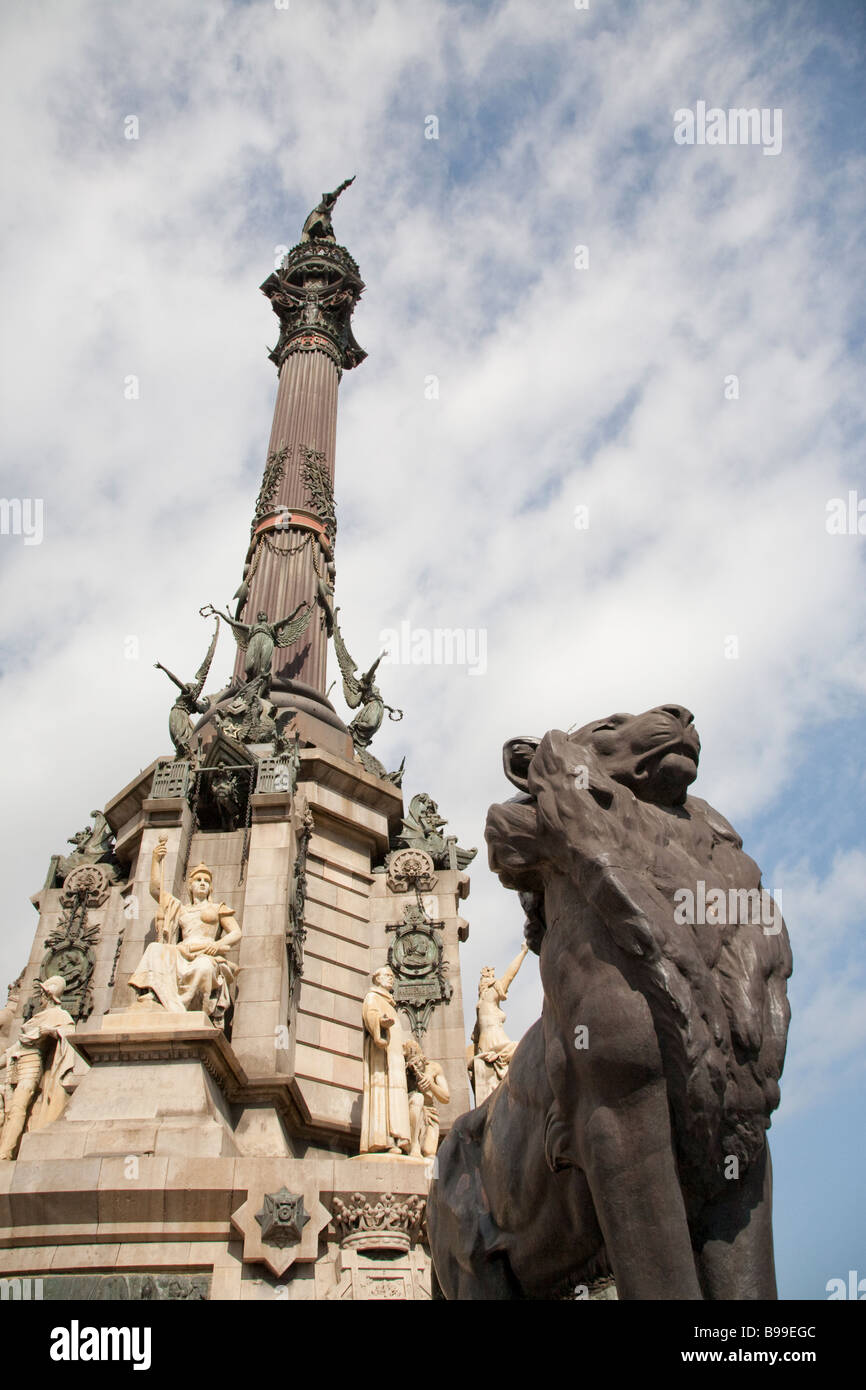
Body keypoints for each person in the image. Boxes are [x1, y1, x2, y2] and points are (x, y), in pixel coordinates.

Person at [128, 841, 241, 1025]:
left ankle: (186, 1010)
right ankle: (151, 995)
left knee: (203, 967)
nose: (203, 884)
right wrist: (156, 860)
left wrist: (216, 945)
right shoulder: (181, 909)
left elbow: (236, 933)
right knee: (155, 949)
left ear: (211, 888)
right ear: (190, 886)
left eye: (206, 881)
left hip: (205, 951)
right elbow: (156, 890)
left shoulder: (217, 908)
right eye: (198, 880)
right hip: (182, 950)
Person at [0, 976, 75, 1160]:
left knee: (18, 1107)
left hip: (31, 1065)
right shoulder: (37, 1016)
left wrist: (50, 1031)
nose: (39, 998)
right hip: (14, 1064)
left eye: (42, 994)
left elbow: (69, 1032)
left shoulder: (59, 1015)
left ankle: (5, 1153)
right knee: (9, 1110)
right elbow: (15, 1048)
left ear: (47, 994)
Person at [359, 967, 410, 1155]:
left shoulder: (389, 1002)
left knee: (395, 1094)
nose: (391, 980)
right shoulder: (373, 997)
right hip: (383, 1058)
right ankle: (385, 1138)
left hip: (395, 1058)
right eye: (387, 976)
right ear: (377, 979)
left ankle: (398, 1138)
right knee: (384, 1095)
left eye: (392, 977)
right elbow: (370, 1015)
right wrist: (380, 1023)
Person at [403, 1039, 450, 1158]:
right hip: (409, 1111)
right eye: (412, 1063)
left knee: (430, 1152)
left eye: (418, 1062)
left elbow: (446, 1097)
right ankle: (414, 1145)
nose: (416, 1066)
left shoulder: (434, 1068)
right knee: (417, 1098)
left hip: (429, 1113)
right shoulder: (403, 1071)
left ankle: (434, 1176)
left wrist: (431, 1085)